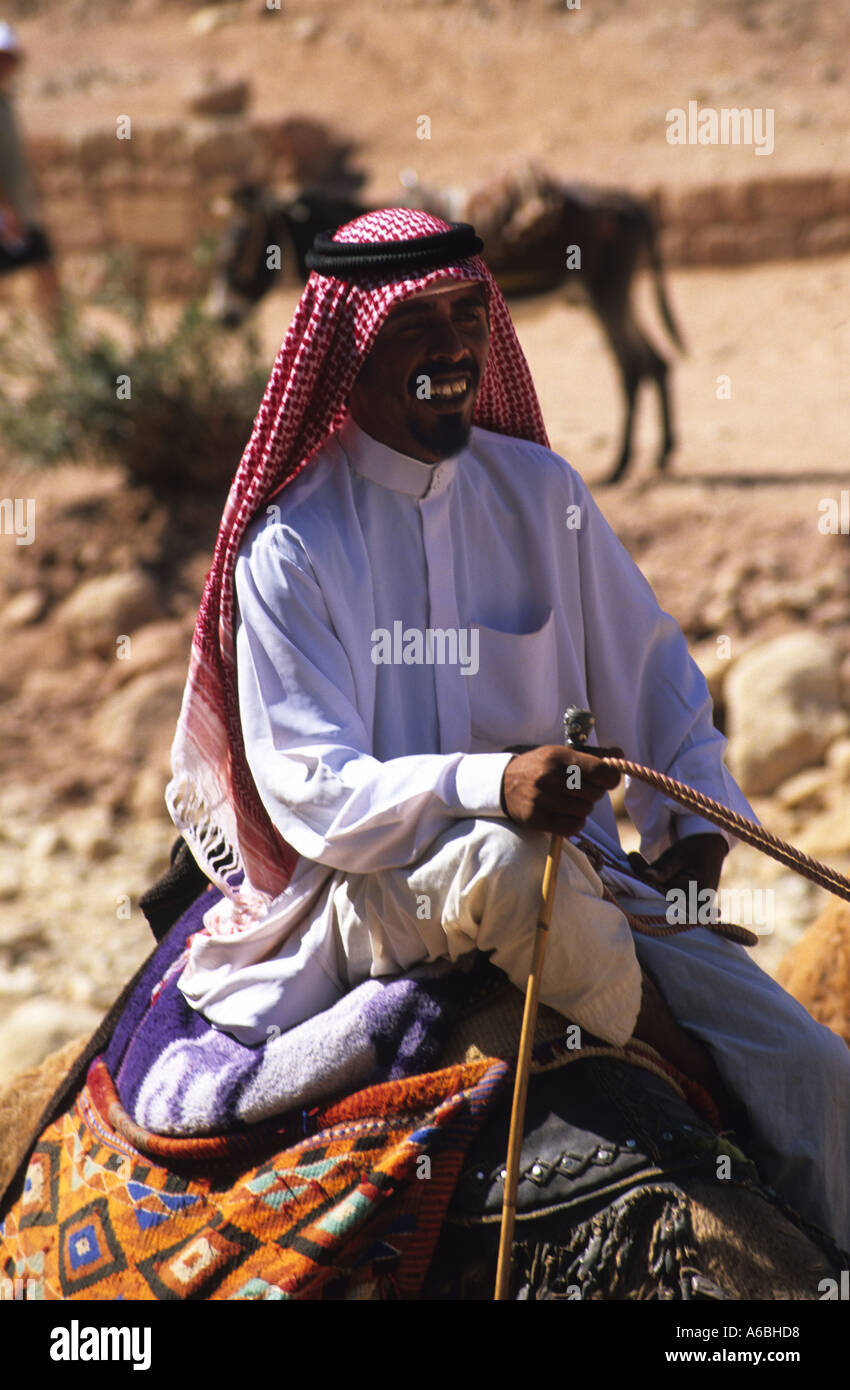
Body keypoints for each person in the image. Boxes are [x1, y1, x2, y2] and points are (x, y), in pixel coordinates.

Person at [166, 207, 850, 1252]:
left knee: (817, 1072)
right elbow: (312, 790)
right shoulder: (291, 546)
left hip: (579, 886)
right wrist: (490, 783)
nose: (450, 347)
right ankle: (685, 1072)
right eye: (415, 324)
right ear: (349, 343)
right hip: (370, 892)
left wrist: (692, 833)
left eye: (466, 316)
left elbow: (657, 679)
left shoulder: (542, 496)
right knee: (503, 859)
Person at [0, 21, 62, 320]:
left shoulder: (6, 102)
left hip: (20, 210)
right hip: (6, 213)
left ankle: (62, 341)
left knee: (45, 268)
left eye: (8, 58)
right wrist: (6, 209)